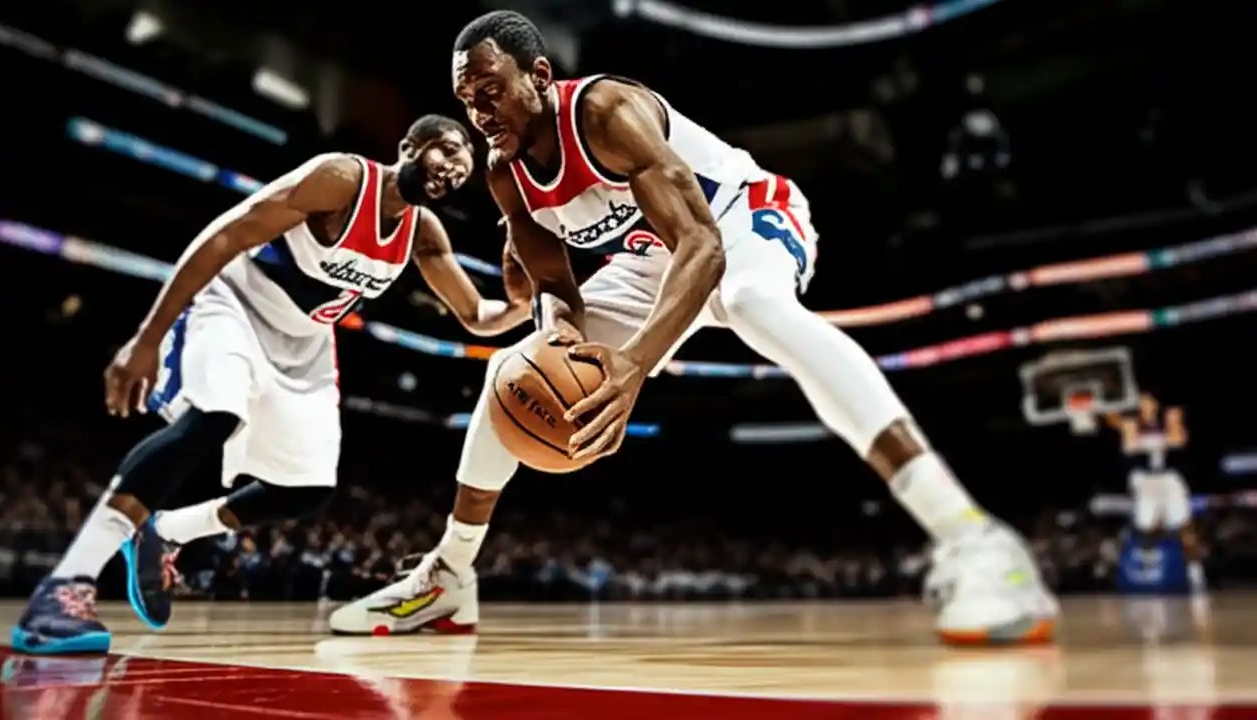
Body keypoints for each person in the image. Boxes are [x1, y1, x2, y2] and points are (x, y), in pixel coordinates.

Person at [329, 10, 1058, 645]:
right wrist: (558, 341)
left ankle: (974, 536)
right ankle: (449, 576)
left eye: (491, 90)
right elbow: (555, 288)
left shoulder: (607, 111)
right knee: (506, 373)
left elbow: (703, 245)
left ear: (540, 76)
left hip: (740, 218)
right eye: (466, 98)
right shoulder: (503, 170)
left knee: (752, 304)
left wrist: (633, 365)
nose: (480, 111)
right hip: (651, 256)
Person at [11, 115, 532, 655]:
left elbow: (475, 316)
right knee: (215, 417)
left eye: (463, 167)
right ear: (409, 147)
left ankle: (166, 530)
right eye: (447, 151)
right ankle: (66, 585)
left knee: (305, 491)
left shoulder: (423, 232)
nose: (453, 168)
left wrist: (521, 304)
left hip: (305, 344)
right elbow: (228, 233)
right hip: (237, 304)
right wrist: (148, 338)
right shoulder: (341, 179)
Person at [1119, 392, 1204, 592]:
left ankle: (1195, 572)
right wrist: (1160, 441)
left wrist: (1152, 441)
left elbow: (1179, 440)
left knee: (1184, 526)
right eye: (1142, 403)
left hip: (1168, 477)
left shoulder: (1170, 418)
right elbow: (1129, 446)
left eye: (1149, 402)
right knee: (1147, 527)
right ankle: (1148, 562)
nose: (1146, 406)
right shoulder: (1130, 422)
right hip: (1144, 478)